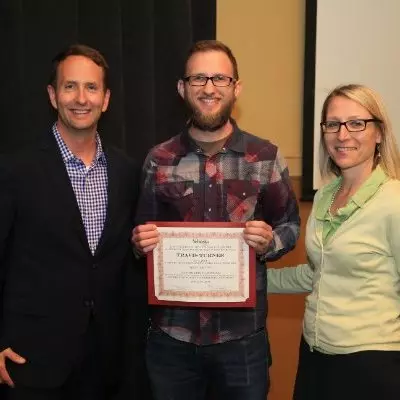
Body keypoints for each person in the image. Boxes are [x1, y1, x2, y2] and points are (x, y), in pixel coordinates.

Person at [131, 39, 300, 400]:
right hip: (171, 340)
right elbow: (140, 234)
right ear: (182, 88)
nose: (209, 88)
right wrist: (139, 243)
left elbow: (290, 225)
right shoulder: (158, 159)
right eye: (199, 79)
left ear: (236, 87)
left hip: (242, 342)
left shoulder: (265, 156)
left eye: (220, 79)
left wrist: (271, 241)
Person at [0, 44, 148, 400]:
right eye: (70, 86)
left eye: (92, 87)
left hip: (107, 365)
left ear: (106, 98)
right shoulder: (14, 171)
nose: (81, 98)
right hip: (31, 361)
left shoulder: (129, 172)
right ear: (53, 95)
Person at [268, 83, 400, 400]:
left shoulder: (394, 202)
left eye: (356, 123)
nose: (342, 135)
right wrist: (245, 280)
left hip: (372, 363)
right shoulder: (326, 195)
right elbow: (319, 273)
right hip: (315, 355)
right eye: (333, 124)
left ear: (379, 132)